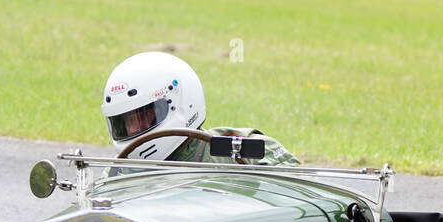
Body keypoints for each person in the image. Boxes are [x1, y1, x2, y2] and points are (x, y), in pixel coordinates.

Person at [101, 51, 299, 167]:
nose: (136, 128)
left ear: (181, 104)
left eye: (145, 114)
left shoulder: (243, 152)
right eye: (127, 121)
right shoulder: (120, 171)